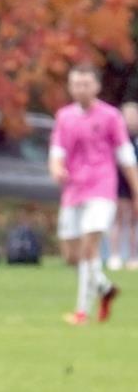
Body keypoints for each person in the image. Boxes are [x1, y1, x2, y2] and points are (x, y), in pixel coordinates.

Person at [50, 62, 138, 323]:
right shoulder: (64, 117)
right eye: (76, 84)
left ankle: (81, 312)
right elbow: (57, 152)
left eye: (86, 84)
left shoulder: (111, 117)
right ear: (70, 86)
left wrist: (135, 190)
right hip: (73, 190)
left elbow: (125, 156)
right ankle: (104, 288)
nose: (81, 89)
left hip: (101, 188)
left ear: (97, 86)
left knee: (89, 250)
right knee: (71, 255)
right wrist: (56, 169)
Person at [112, 101, 138, 271]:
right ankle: (114, 256)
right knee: (119, 219)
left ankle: (133, 257)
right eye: (127, 115)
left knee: (134, 221)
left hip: (135, 183)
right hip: (119, 182)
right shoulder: (117, 138)